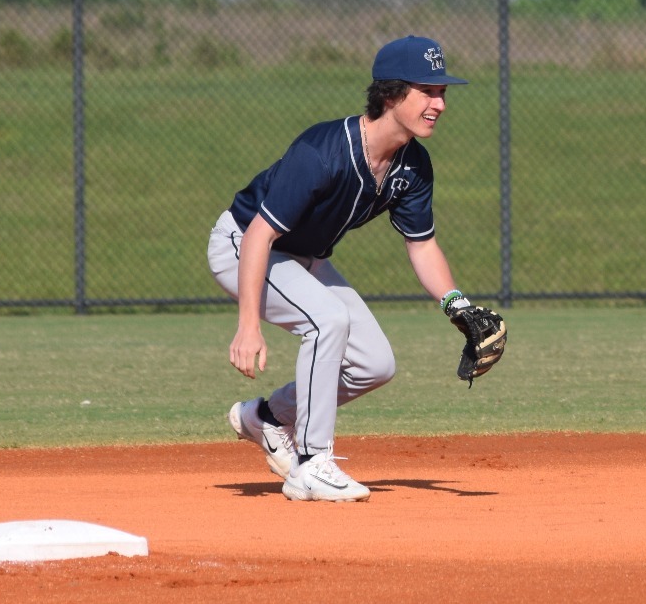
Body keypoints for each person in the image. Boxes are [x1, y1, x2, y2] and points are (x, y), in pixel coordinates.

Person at [206, 34, 491, 502]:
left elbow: (422, 245)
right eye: (427, 91)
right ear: (391, 94)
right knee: (328, 320)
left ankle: (269, 418)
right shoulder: (323, 150)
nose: (439, 103)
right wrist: (248, 325)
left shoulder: (413, 166)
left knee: (375, 364)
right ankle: (311, 463)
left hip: (302, 259)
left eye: (442, 92)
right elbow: (259, 234)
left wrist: (457, 305)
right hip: (241, 246)